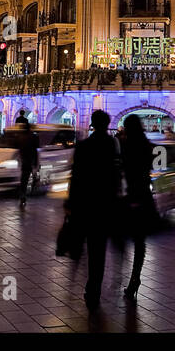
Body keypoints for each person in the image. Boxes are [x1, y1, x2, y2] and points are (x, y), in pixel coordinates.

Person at [67, 109, 122, 309]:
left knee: (86, 245)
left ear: (92, 123)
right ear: (107, 124)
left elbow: (76, 176)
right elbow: (116, 175)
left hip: (85, 202)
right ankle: (94, 287)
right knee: (99, 249)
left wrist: (70, 203)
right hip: (105, 203)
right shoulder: (112, 145)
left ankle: (88, 283)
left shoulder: (83, 146)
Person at [119, 114, 157, 300]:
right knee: (139, 241)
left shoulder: (125, 146)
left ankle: (124, 274)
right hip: (143, 195)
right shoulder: (146, 145)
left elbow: (122, 170)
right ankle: (135, 276)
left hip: (129, 195)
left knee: (121, 235)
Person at [16, 120, 39, 207]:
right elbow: (36, 149)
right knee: (33, 176)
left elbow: (18, 148)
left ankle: (23, 194)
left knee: (24, 179)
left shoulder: (20, 137)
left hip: (24, 160)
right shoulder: (33, 137)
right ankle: (31, 190)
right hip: (31, 159)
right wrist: (36, 162)